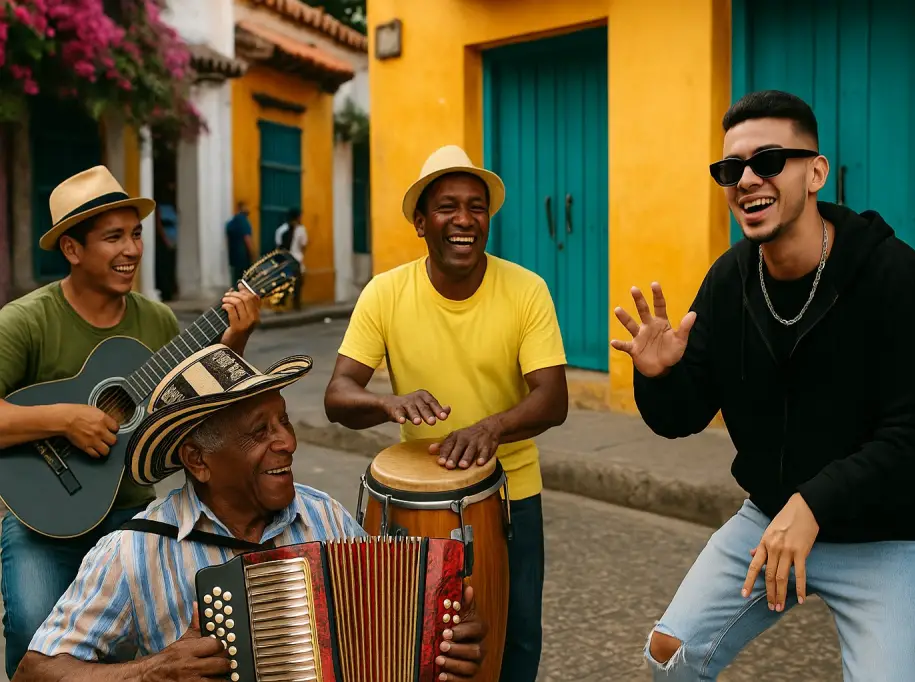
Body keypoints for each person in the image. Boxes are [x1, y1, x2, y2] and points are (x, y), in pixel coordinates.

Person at [612, 90, 915, 681]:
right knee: (669, 656)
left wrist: (815, 502)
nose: (748, 179)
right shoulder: (730, 282)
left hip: (887, 535)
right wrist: (659, 378)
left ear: (815, 173)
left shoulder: (892, 275)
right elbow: (681, 417)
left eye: (770, 160)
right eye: (732, 169)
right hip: (771, 517)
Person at [12, 344, 487, 682]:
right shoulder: (135, 551)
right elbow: (35, 672)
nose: (287, 442)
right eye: (260, 432)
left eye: (284, 420)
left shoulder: (325, 518)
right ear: (199, 461)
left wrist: (445, 642)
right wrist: (149, 673)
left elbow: (390, 635)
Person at [0, 165, 262, 679]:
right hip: (41, 522)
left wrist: (234, 344)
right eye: (112, 237)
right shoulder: (26, 321)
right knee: (34, 638)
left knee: (169, 639)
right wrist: (65, 418)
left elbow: (193, 419)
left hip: (133, 517)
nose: (132, 250)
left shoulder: (157, 322)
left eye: (137, 234)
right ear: (72, 250)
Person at [324, 144, 569, 682]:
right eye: (447, 207)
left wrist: (492, 428)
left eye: (476, 207)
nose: (464, 220)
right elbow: (338, 394)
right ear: (420, 222)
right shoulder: (385, 293)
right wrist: (387, 403)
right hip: (416, 500)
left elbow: (552, 398)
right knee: (414, 642)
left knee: (517, 636)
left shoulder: (527, 290)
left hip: (510, 493)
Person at [275, 207, 307, 310]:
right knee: (298, 283)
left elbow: (278, 245)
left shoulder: (280, 230)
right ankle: (296, 305)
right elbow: (303, 245)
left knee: (285, 282)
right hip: (296, 259)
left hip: (284, 260)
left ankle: (280, 303)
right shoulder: (301, 230)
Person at [225, 200, 254, 285]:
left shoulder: (231, 222)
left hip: (233, 257)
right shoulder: (244, 221)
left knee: (235, 280)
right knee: (244, 281)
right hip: (243, 257)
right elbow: (247, 238)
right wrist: (253, 254)